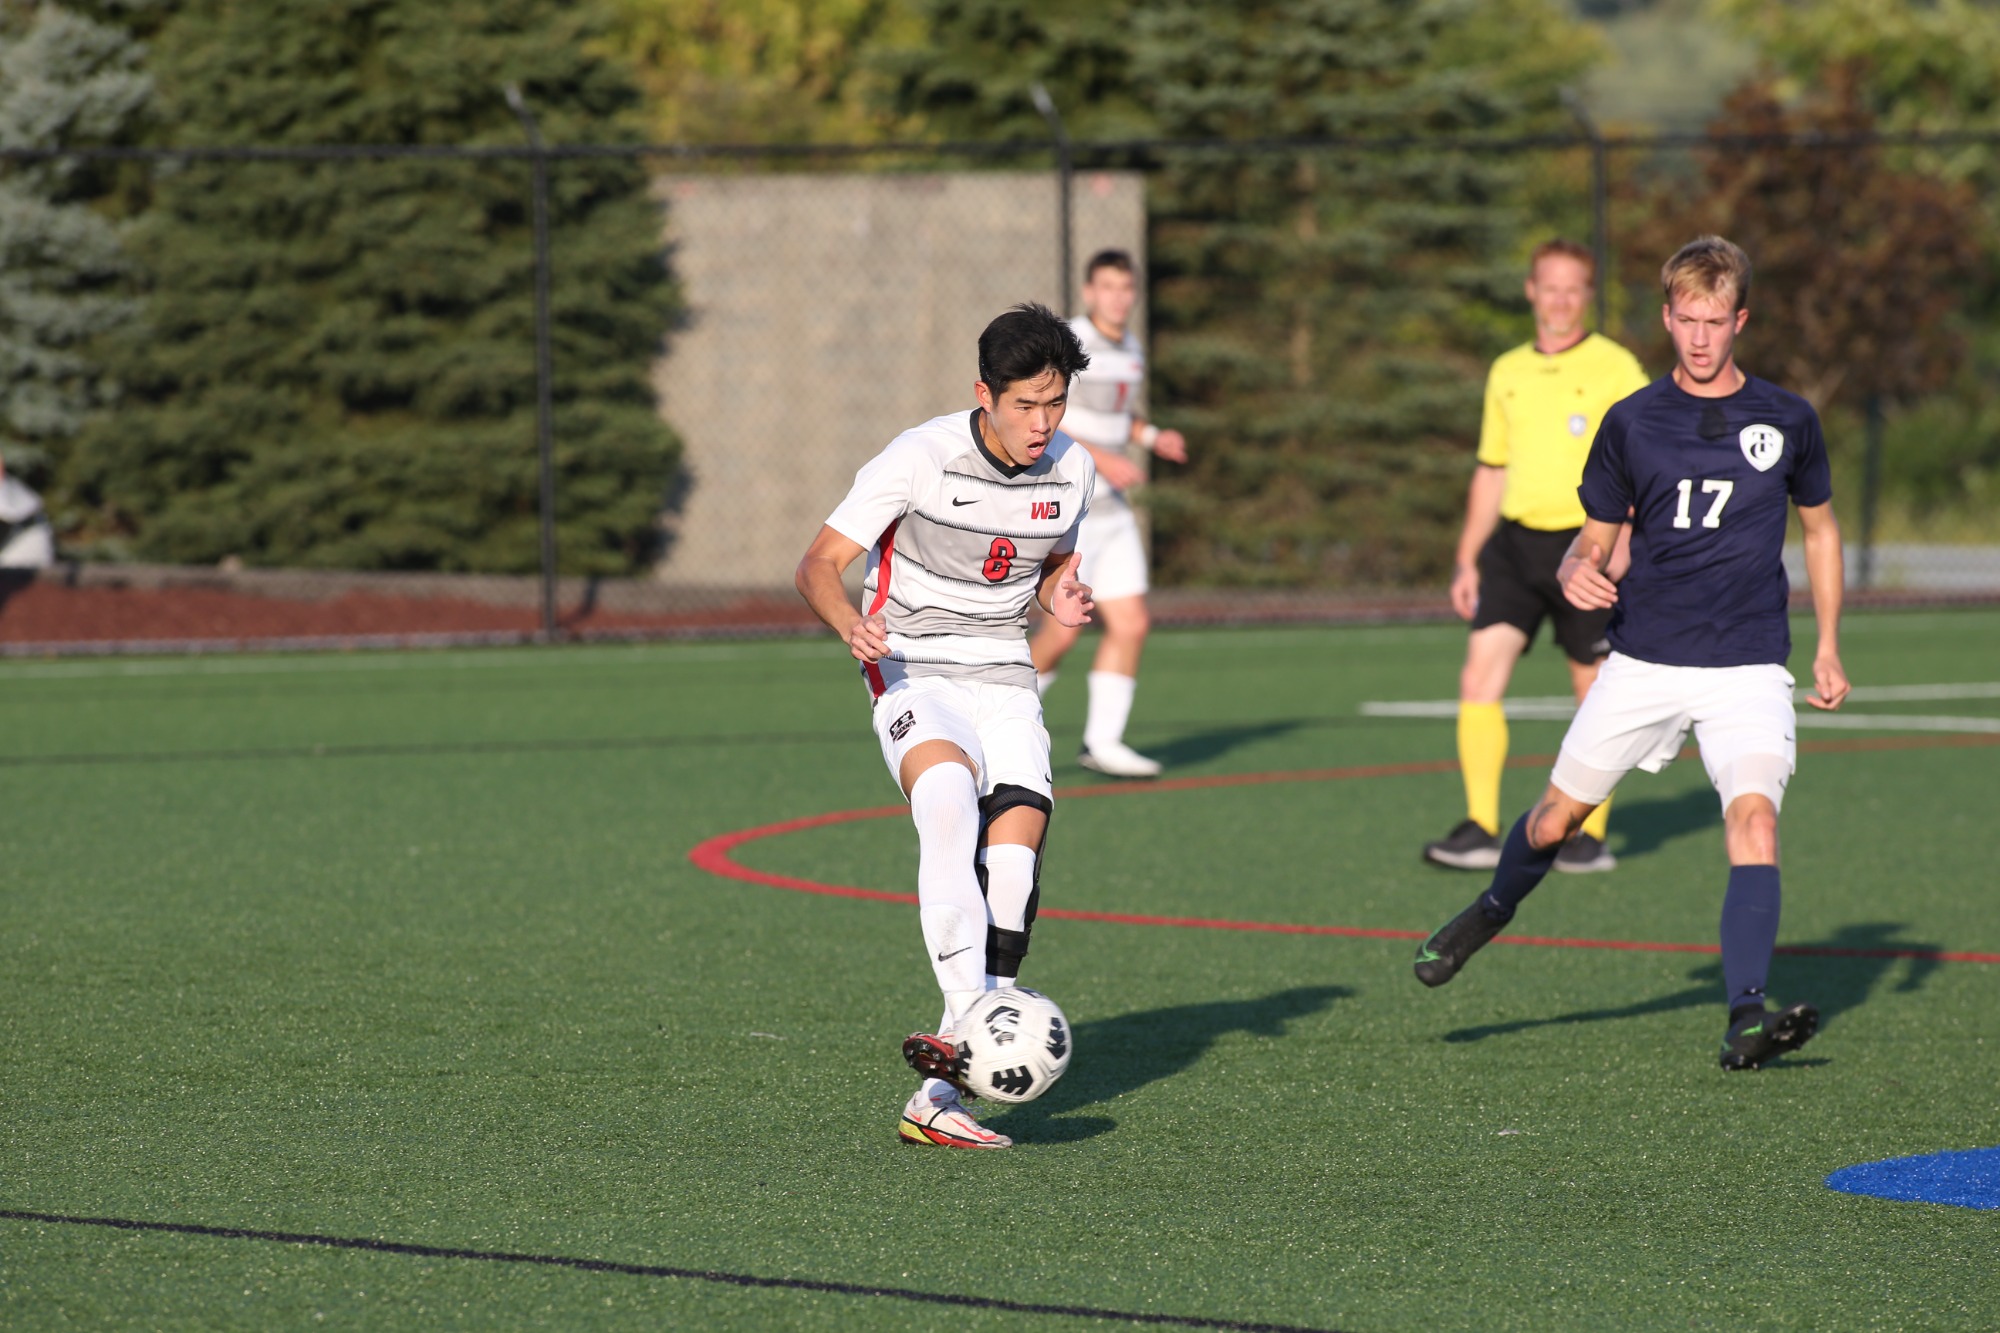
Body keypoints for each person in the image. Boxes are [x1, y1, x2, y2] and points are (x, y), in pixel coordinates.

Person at [1412, 236, 1851, 1072]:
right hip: (1646, 659)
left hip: (1749, 663)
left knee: (1754, 821)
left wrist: (1829, 643)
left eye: (1715, 321)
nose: (1698, 337)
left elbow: (1822, 532)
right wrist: (1580, 570)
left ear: (1741, 320)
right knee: (1552, 821)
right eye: (1685, 319)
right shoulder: (1633, 420)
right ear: (1666, 317)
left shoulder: (1788, 417)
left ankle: (1746, 1016)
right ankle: (1490, 909)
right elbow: (1596, 542)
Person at [795, 303, 1097, 1148]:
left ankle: (939, 1090)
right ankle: (971, 1021)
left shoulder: (1073, 470)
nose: (1043, 424)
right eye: (1026, 405)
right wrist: (846, 622)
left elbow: (1050, 566)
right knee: (948, 800)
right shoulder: (920, 457)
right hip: (910, 660)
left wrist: (1060, 593)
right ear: (985, 394)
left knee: (1013, 861)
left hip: (1003, 668)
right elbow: (818, 562)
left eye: (1056, 404)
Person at [1423, 240, 1649, 874]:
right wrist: (1467, 558)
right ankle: (1480, 825)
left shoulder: (1616, 367)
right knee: (1479, 676)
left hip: (1589, 546)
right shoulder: (1507, 371)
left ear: (1587, 294)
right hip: (1515, 548)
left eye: (1573, 287)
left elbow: (1645, 458)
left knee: (1594, 690)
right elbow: (1491, 471)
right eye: (1549, 287)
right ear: (1530, 291)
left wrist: (1622, 543)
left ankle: (1585, 834)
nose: (1560, 299)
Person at [1029, 250, 1187, 779]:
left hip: (1111, 510)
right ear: (1089, 291)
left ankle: (1103, 743)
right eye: (1108, 287)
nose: (1118, 297)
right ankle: (996, 723)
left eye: (1126, 287)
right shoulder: (1068, 344)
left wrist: (1150, 436)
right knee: (1062, 633)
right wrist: (1102, 457)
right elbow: (1044, 414)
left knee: (1132, 623)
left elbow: (1120, 415)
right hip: (1067, 509)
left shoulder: (1132, 347)